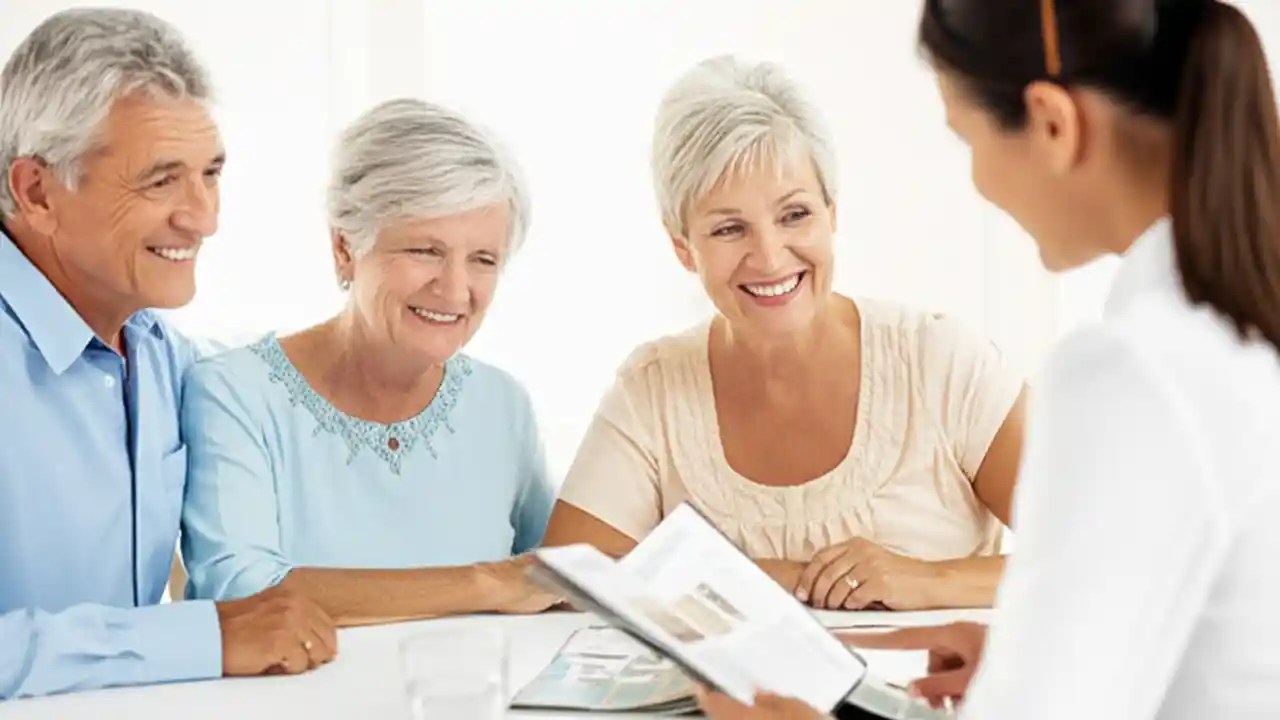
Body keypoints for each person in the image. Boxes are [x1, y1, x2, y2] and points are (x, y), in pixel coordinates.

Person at [699, 0, 1280, 718]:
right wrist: (1029, 659)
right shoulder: (1230, 332)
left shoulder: (1129, 371)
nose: (978, 179)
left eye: (967, 137)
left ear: (1053, 125)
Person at [542, 55, 1028, 612]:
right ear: (683, 247)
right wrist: (771, 577)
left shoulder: (939, 361)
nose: (770, 257)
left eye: (794, 215)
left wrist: (928, 580)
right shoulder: (653, 390)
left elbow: (1106, 552)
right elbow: (567, 585)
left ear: (832, 214)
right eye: (729, 228)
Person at [0, 9, 335, 700]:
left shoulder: (162, 357)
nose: (203, 217)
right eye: (160, 181)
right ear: (37, 192)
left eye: (210, 173)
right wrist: (204, 638)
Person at [180, 98, 559, 626]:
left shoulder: (502, 405)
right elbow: (242, 591)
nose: (454, 289)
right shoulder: (232, 393)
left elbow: (555, 582)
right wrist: (483, 581)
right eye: (425, 250)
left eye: (483, 260)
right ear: (344, 248)